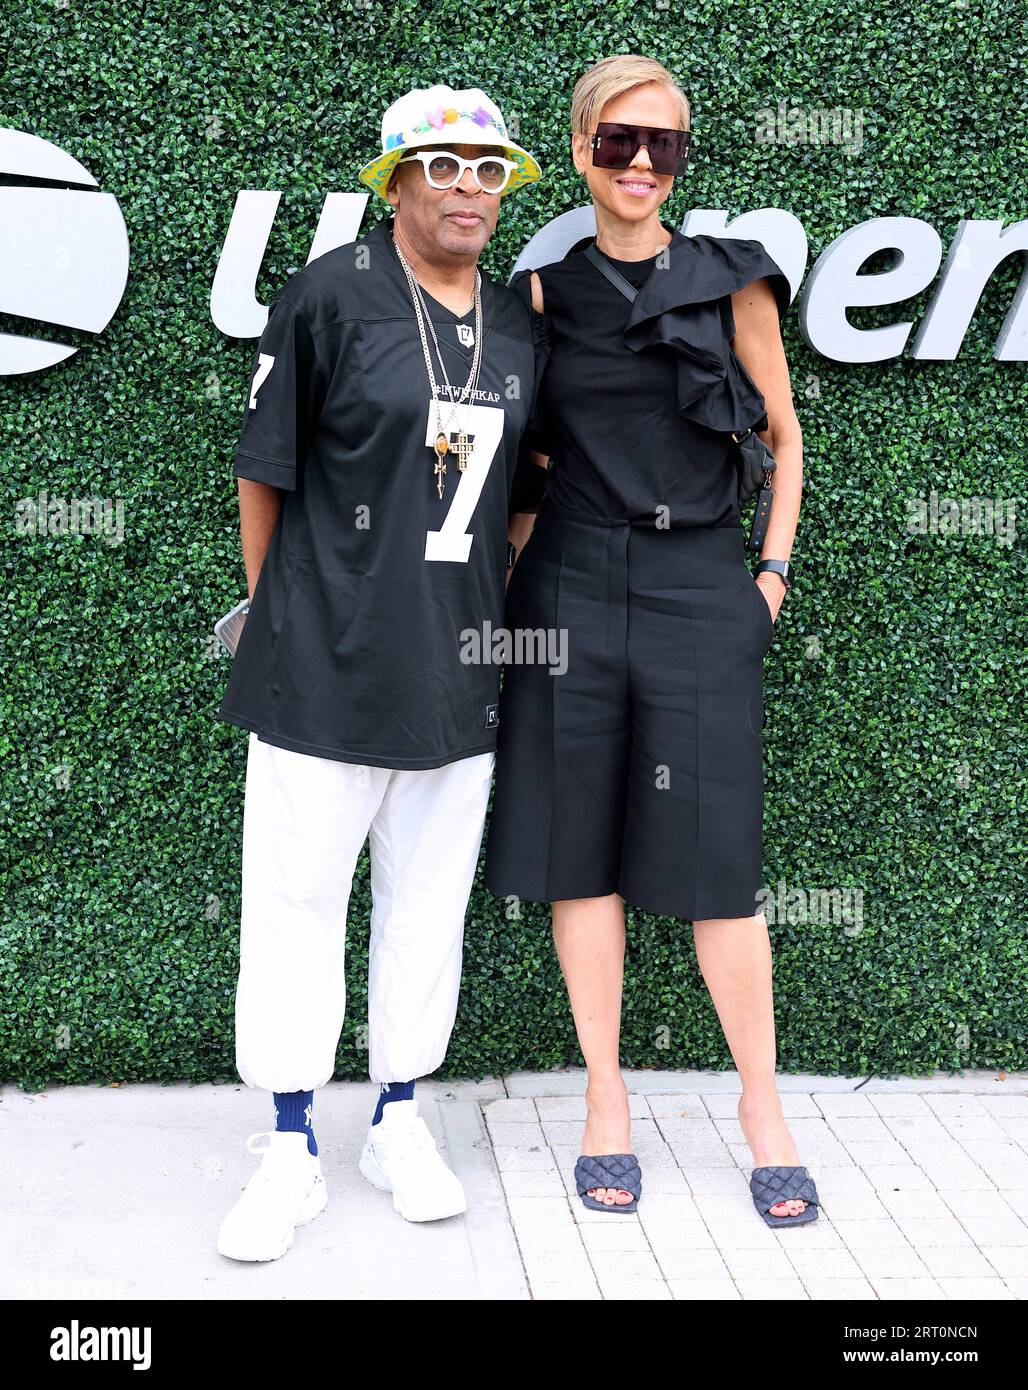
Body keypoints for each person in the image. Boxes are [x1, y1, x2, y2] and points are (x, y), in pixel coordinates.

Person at [485, 54, 819, 1227]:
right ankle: (605, 1103)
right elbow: (523, 461)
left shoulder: (734, 283)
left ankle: (762, 1110)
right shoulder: (538, 294)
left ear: (682, 158)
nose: (638, 164)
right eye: (617, 142)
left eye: (660, 145)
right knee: (581, 854)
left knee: (718, 859)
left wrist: (765, 577)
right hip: (569, 586)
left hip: (697, 585)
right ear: (579, 150)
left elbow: (780, 435)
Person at [214, 83, 542, 1261]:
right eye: (442, 167)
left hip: (456, 675)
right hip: (318, 672)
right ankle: (291, 1140)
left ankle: (400, 1117)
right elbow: (267, 469)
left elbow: (515, 505)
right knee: (295, 909)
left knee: (425, 910)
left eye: (486, 170)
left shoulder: (517, 325)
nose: (467, 189)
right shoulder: (330, 294)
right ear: (394, 181)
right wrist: (282, 610)